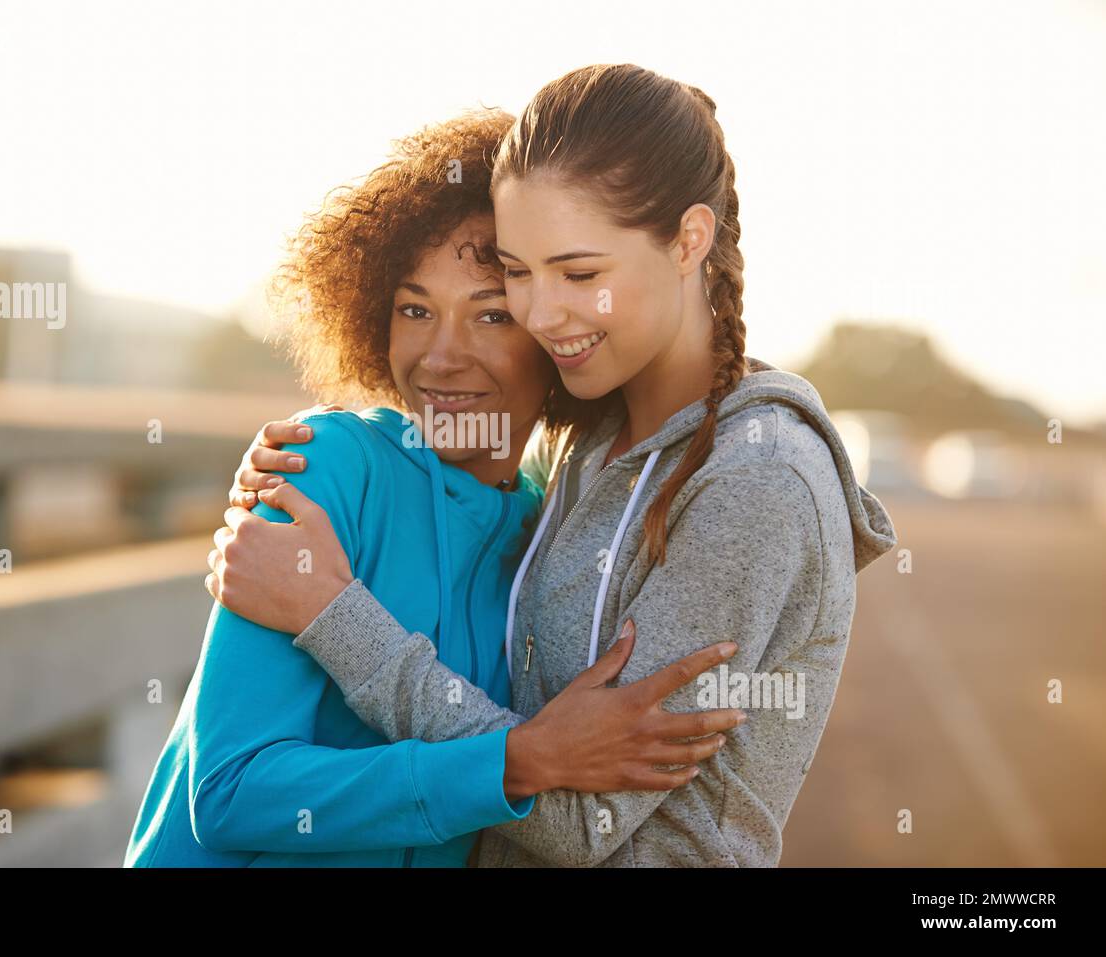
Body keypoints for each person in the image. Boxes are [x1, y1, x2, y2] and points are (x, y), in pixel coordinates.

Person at [211, 64, 898, 867]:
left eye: (579, 274)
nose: (543, 313)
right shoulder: (583, 442)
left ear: (689, 240)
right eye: (521, 274)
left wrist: (333, 614)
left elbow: (583, 819)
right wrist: (307, 471)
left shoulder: (757, 479)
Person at [125, 107, 744, 868]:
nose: (442, 356)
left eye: (489, 315)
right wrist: (511, 761)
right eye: (415, 309)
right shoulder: (324, 469)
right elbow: (230, 793)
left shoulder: (548, 524)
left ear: (551, 333)